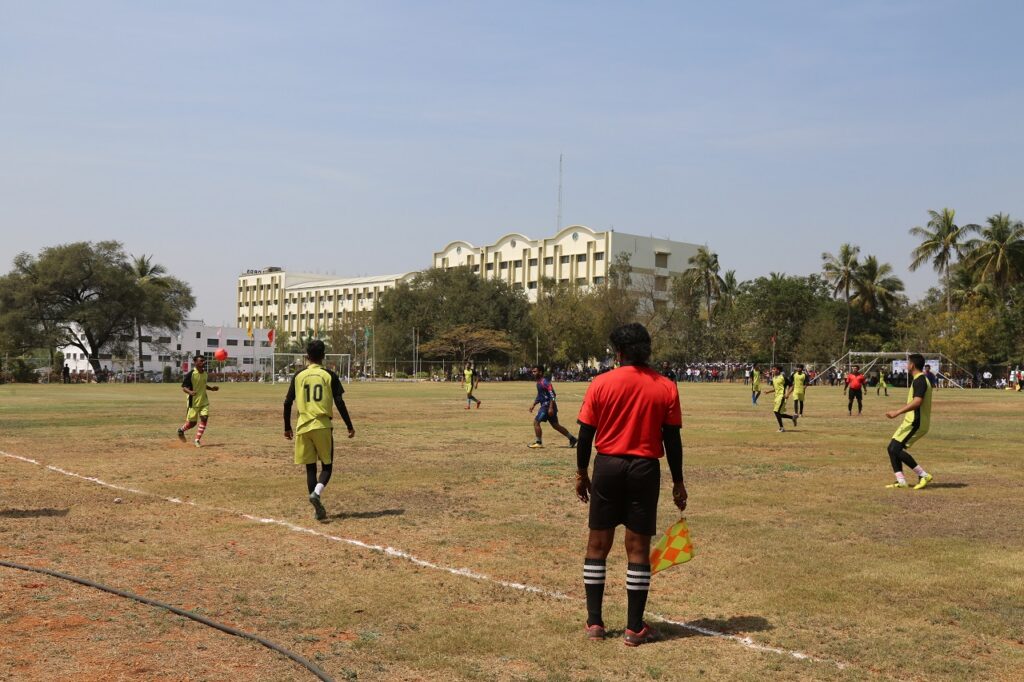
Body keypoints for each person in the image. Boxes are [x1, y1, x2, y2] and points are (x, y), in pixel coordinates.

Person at [574, 323, 686, 646]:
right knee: (637, 549)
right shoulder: (665, 386)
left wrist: (582, 473)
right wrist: (678, 481)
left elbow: (585, 435)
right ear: (647, 351)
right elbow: (673, 441)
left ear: (619, 353)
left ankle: (595, 624)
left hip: (607, 466)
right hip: (644, 470)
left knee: (597, 545)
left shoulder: (600, 383)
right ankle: (634, 629)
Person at [283, 340, 355, 520]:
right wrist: (349, 425)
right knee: (327, 467)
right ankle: (317, 494)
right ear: (323, 355)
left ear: (307, 356)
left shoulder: (298, 375)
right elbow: (339, 402)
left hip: (303, 426)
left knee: (310, 468)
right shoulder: (329, 375)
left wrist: (287, 427)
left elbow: (287, 402)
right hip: (322, 425)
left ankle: (317, 510)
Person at [884, 353, 934, 490]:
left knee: (895, 449)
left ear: (912, 365)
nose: (907, 365)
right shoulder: (918, 379)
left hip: (916, 422)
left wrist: (897, 412)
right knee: (891, 448)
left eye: (908, 363)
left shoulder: (920, 380)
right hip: (910, 421)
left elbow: (917, 402)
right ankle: (901, 481)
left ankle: (923, 475)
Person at [528, 365, 577, 448]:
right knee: (555, 425)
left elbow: (552, 395)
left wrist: (550, 408)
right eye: (532, 371)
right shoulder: (539, 382)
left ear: (540, 372)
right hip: (547, 406)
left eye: (535, 371)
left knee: (536, 422)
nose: (533, 373)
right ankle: (572, 439)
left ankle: (538, 443)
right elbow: (540, 395)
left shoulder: (545, 382)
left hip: (547, 407)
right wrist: (534, 404)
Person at [178, 353, 219, 447]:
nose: (203, 362)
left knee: (204, 418)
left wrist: (212, 389)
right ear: (195, 363)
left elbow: (203, 385)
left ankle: (197, 440)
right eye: (201, 361)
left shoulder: (205, 374)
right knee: (192, 423)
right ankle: (181, 430)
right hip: (193, 402)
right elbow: (183, 387)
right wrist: (190, 392)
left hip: (204, 400)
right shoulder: (191, 374)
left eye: (204, 361)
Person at [765, 365, 798, 432]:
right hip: (776, 397)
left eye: (774, 369)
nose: (772, 370)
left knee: (776, 411)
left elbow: (792, 386)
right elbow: (776, 388)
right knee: (779, 413)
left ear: (778, 370)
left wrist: (787, 394)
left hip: (782, 397)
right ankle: (792, 417)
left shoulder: (783, 377)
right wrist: (768, 392)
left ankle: (781, 428)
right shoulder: (774, 378)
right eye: (772, 369)